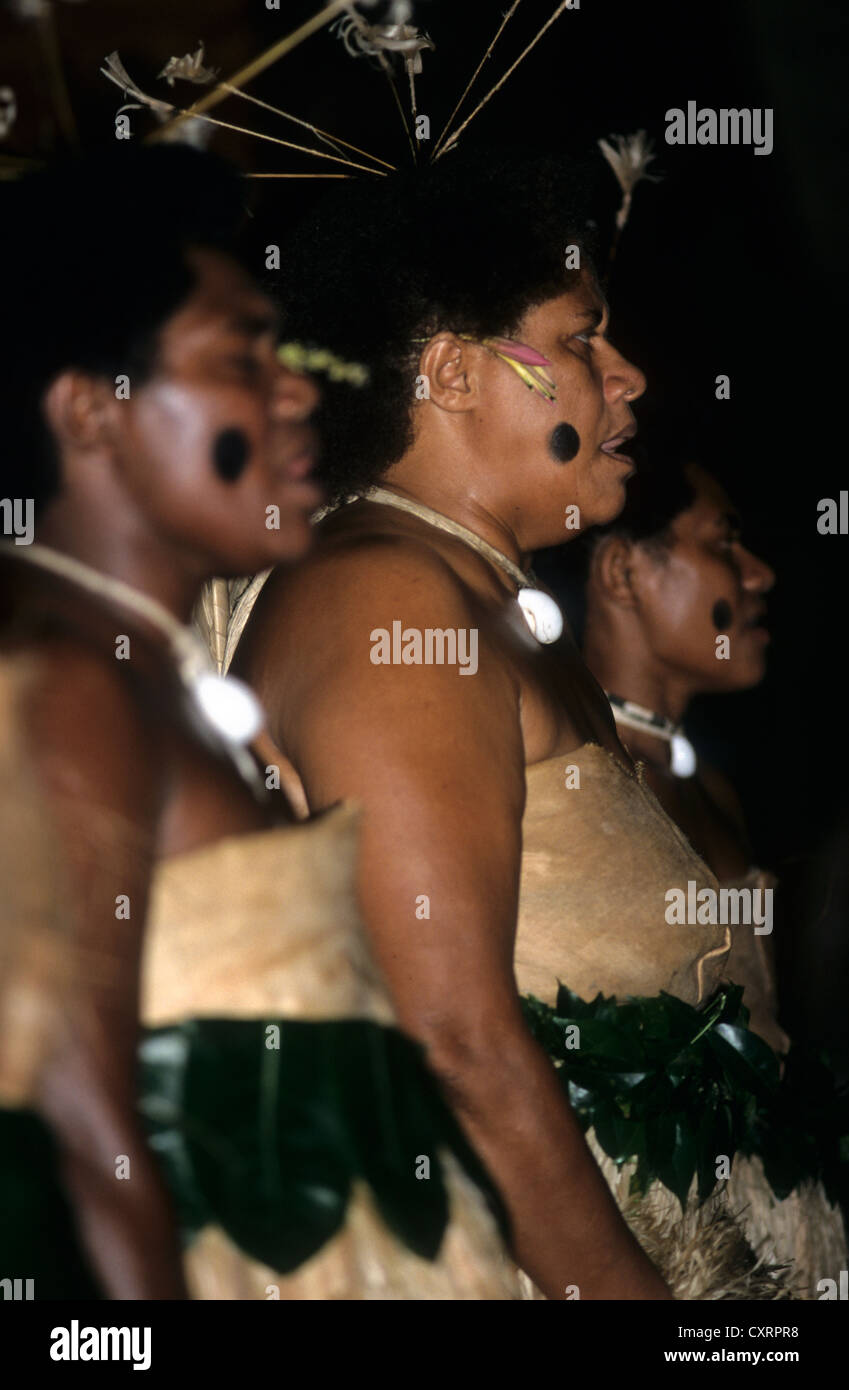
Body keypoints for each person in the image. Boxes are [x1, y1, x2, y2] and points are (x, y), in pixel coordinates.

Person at [228, 151, 790, 1298]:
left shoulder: (486, 600)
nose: (628, 378)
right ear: (450, 372)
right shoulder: (386, 595)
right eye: (583, 339)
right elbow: (453, 1041)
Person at [0, 147, 516, 1300]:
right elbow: (80, 1150)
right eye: (243, 357)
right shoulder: (68, 686)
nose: (296, 391)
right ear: (93, 408)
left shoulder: (144, 675)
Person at [574, 447, 848, 1293]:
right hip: (651, 1234)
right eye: (723, 541)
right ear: (621, 568)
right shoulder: (563, 782)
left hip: (782, 1216)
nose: (759, 574)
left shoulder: (714, 788)